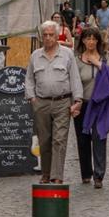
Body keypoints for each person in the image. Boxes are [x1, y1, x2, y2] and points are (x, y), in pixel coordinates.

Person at [26, 21, 83, 183]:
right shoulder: (35, 55)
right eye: (45, 35)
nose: (48, 38)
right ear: (41, 37)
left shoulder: (67, 54)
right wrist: (32, 98)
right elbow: (29, 79)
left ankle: (57, 176)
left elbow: (75, 78)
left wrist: (77, 100)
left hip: (62, 102)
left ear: (57, 36)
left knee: (59, 140)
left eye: (51, 35)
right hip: (41, 103)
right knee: (44, 140)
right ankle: (46, 173)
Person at [71, 26, 109, 188]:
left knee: (100, 138)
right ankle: (86, 173)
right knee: (83, 140)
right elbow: (73, 81)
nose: (91, 42)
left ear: (98, 41)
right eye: (87, 38)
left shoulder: (105, 57)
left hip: (101, 105)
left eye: (94, 39)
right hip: (82, 103)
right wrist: (75, 102)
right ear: (83, 40)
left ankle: (99, 175)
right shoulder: (76, 59)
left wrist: (98, 64)